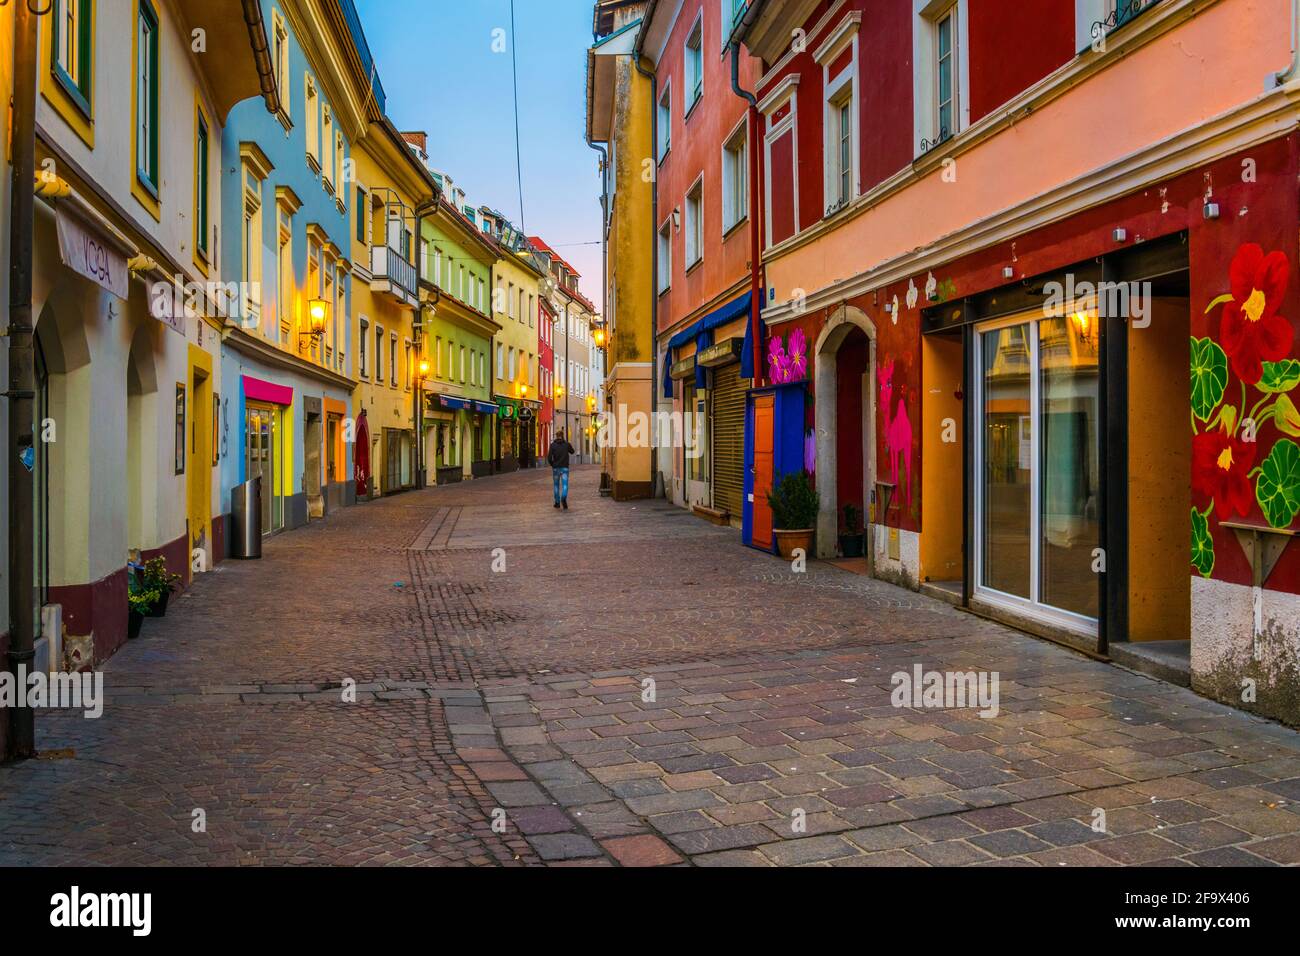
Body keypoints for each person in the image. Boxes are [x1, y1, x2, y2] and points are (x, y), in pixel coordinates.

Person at [547, 429, 576, 510]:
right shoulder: (566, 444)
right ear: (562, 436)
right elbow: (572, 451)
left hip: (556, 468)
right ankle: (563, 497)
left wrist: (553, 464)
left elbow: (549, 457)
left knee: (556, 485)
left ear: (556, 436)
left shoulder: (552, 445)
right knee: (565, 485)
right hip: (564, 468)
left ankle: (557, 502)